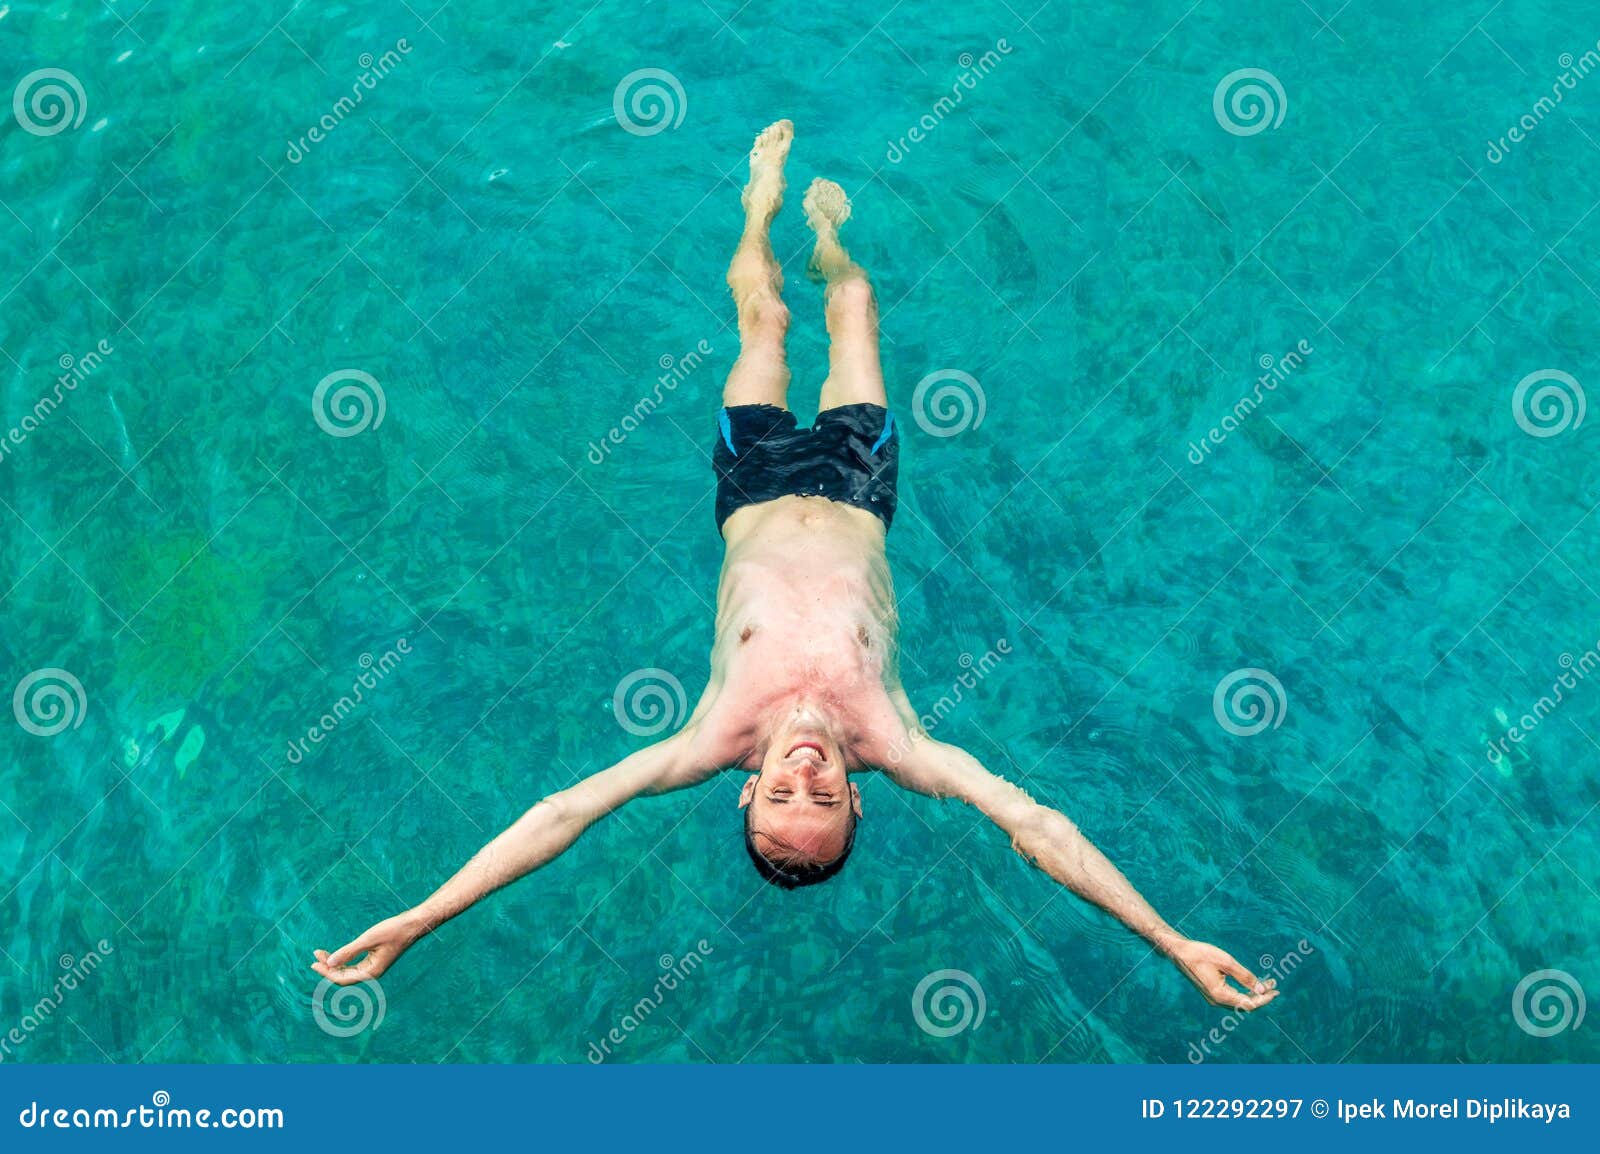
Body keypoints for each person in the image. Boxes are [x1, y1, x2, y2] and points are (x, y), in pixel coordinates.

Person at [313, 121, 1279, 1013]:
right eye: (823, 798)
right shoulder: (898, 743)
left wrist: (417, 920)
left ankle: (759, 200)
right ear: (858, 799)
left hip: (755, 485)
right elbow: (1038, 827)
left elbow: (562, 814)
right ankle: (831, 240)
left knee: (766, 322)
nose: (805, 776)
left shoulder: (710, 739)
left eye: (781, 794)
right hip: (861, 488)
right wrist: (1171, 939)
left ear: (749, 787)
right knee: (853, 299)